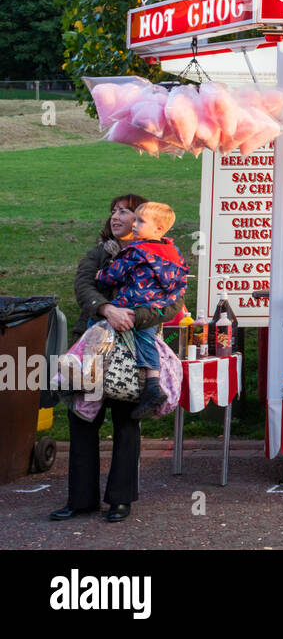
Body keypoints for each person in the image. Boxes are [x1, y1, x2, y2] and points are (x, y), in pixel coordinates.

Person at [52, 194, 183, 523]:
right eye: (114, 211)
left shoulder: (160, 253)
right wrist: (107, 309)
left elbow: (174, 303)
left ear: (140, 219)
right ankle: (81, 500)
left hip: (133, 349)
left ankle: (121, 500)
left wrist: (135, 317)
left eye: (125, 211)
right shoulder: (99, 253)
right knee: (82, 420)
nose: (116, 216)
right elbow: (84, 288)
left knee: (126, 424)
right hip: (93, 346)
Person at [95, 201, 187, 418]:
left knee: (96, 328)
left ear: (158, 228)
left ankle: (85, 369)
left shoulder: (136, 251)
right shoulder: (172, 251)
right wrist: (165, 298)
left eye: (140, 221)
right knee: (147, 341)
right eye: (135, 220)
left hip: (132, 302)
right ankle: (152, 384)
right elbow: (180, 278)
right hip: (155, 307)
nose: (134, 225)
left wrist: (101, 275)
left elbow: (116, 273)